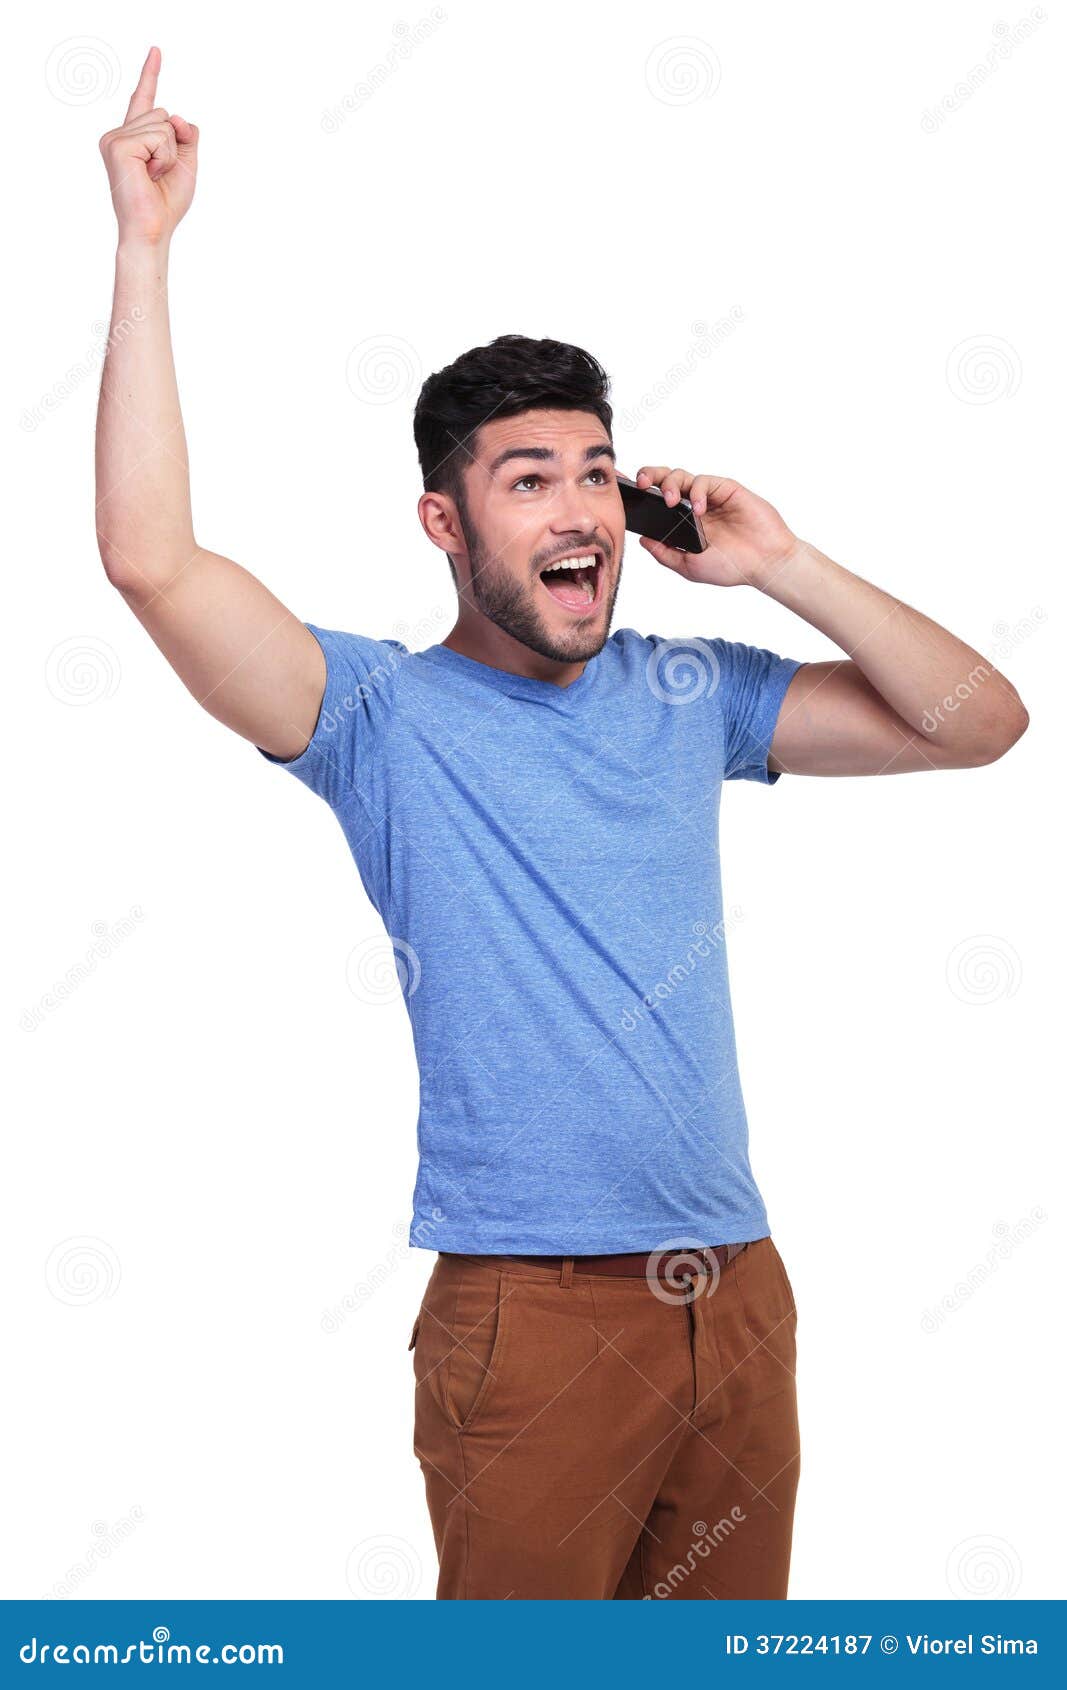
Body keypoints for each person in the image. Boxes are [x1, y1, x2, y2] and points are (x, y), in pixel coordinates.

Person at [95, 49, 1029, 1601]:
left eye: (597, 472)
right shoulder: (376, 717)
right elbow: (152, 562)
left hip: (739, 1293)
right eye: (530, 480)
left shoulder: (690, 686)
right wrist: (143, 250)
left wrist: (782, 560)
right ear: (446, 526)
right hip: (534, 1319)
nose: (581, 508)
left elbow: (978, 723)